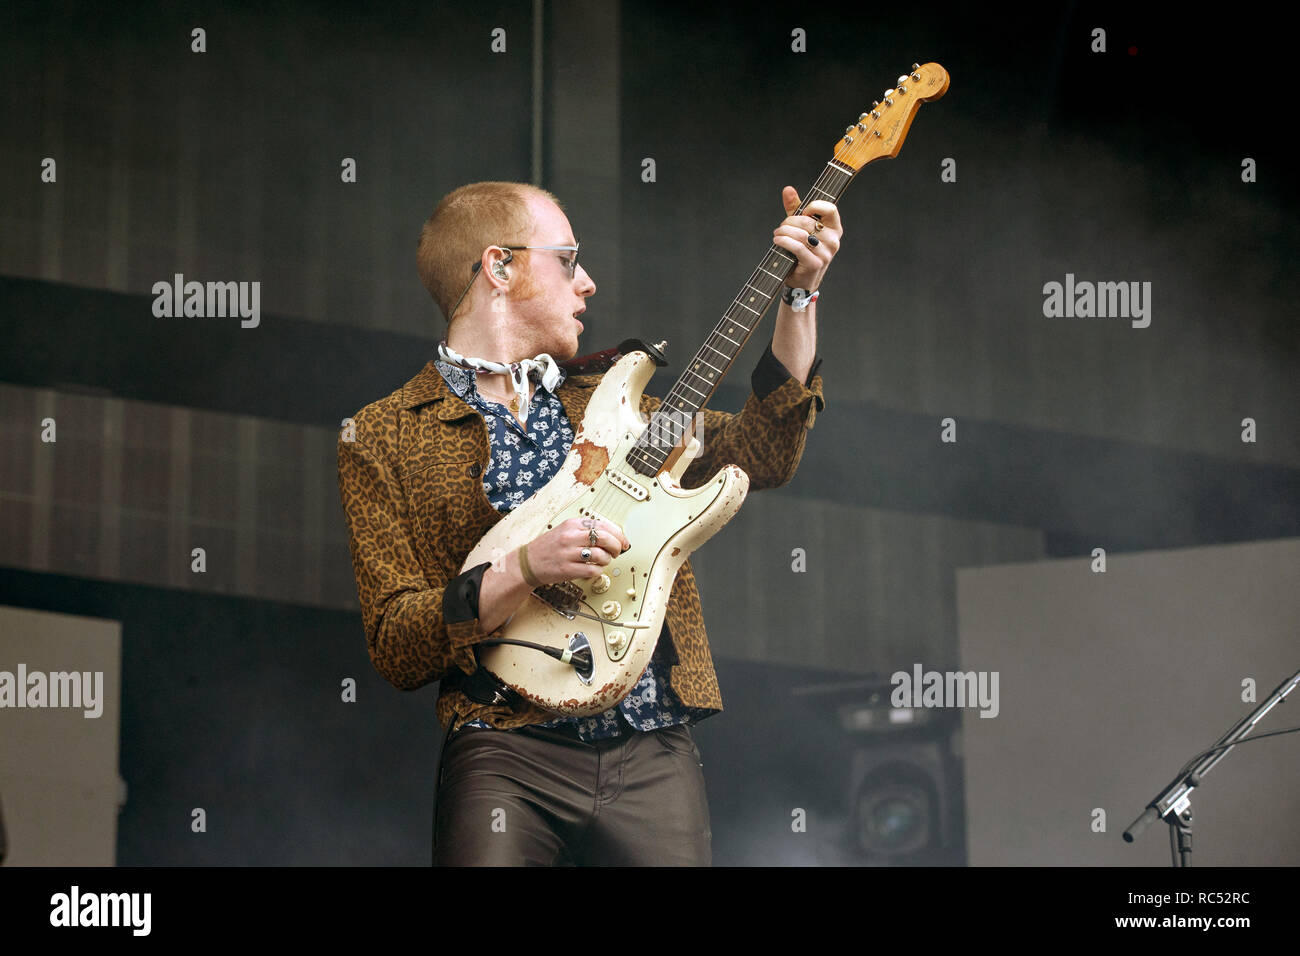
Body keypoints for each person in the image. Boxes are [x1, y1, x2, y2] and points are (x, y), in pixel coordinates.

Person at [337, 180, 836, 865]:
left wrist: (799, 297)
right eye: (568, 260)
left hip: (650, 740)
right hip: (502, 746)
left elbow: (764, 452)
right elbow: (396, 643)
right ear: (499, 266)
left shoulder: (613, 401)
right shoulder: (381, 434)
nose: (589, 283)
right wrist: (521, 569)